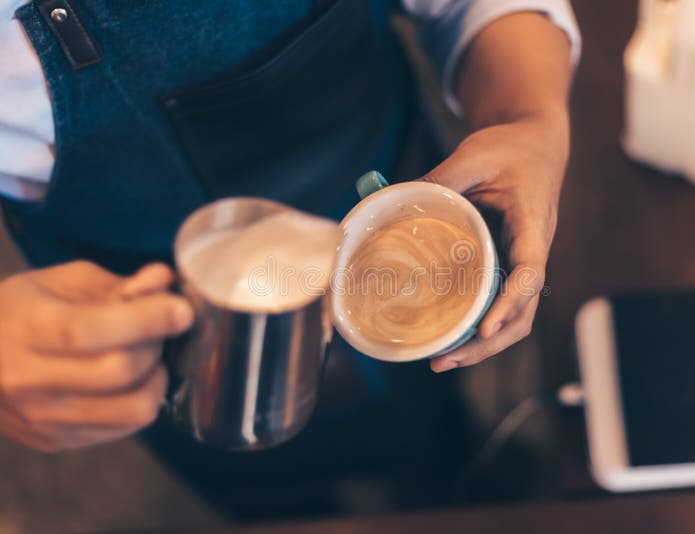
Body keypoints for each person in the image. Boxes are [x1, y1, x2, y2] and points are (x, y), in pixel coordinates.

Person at [0, 0, 579, 515]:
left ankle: (445, 481)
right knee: (240, 459)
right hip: (126, 278)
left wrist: (532, 117)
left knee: (425, 419)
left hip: (389, 199)